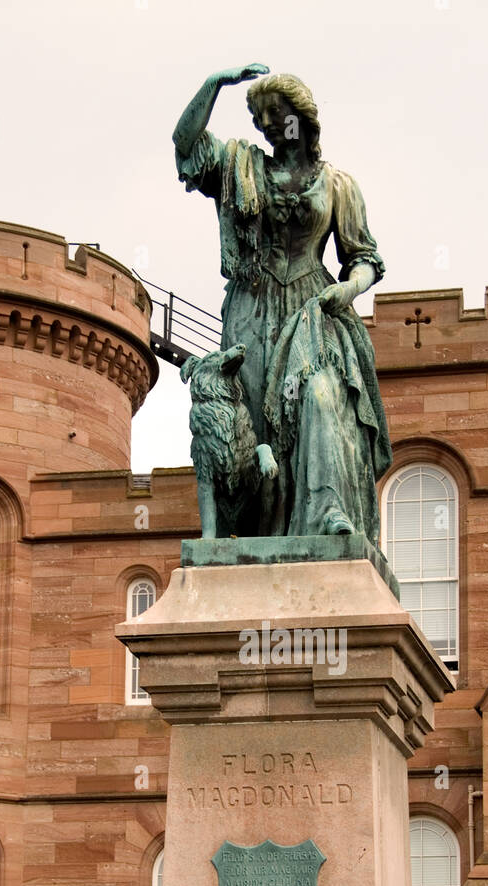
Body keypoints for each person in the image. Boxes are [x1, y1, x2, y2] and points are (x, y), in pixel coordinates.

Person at [173, 65, 392, 542]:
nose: (268, 123)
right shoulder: (241, 167)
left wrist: (349, 289)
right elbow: (186, 145)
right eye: (260, 116)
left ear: (302, 117)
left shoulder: (338, 185)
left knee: (320, 397)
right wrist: (214, 85)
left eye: (276, 112)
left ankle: (326, 511)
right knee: (251, 420)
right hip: (251, 309)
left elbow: (364, 258)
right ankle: (252, 535)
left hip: (314, 310)